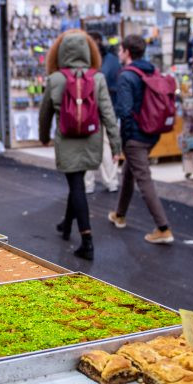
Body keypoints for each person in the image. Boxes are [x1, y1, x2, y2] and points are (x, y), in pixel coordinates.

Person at [39, 29, 120, 260]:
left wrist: (43, 136)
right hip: (91, 139)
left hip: (66, 141)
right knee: (76, 182)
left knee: (76, 186)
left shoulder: (55, 79)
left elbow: (45, 114)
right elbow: (108, 114)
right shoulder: (97, 78)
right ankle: (66, 225)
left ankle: (87, 240)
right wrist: (115, 145)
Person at [108, 34, 174, 244]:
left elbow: (125, 111)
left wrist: (121, 140)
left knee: (143, 179)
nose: (119, 53)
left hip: (135, 134)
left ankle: (163, 228)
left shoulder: (127, 76)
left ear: (127, 52)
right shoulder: (151, 70)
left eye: (120, 49)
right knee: (130, 172)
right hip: (152, 131)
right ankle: (119, 214)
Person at [86, 31, 121, 194]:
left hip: (92, 109)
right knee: (105, 145)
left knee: (89, 145)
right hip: (106, 107)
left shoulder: (90, 62)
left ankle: (88, 183)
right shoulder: (111, 60)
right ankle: (110, 180)